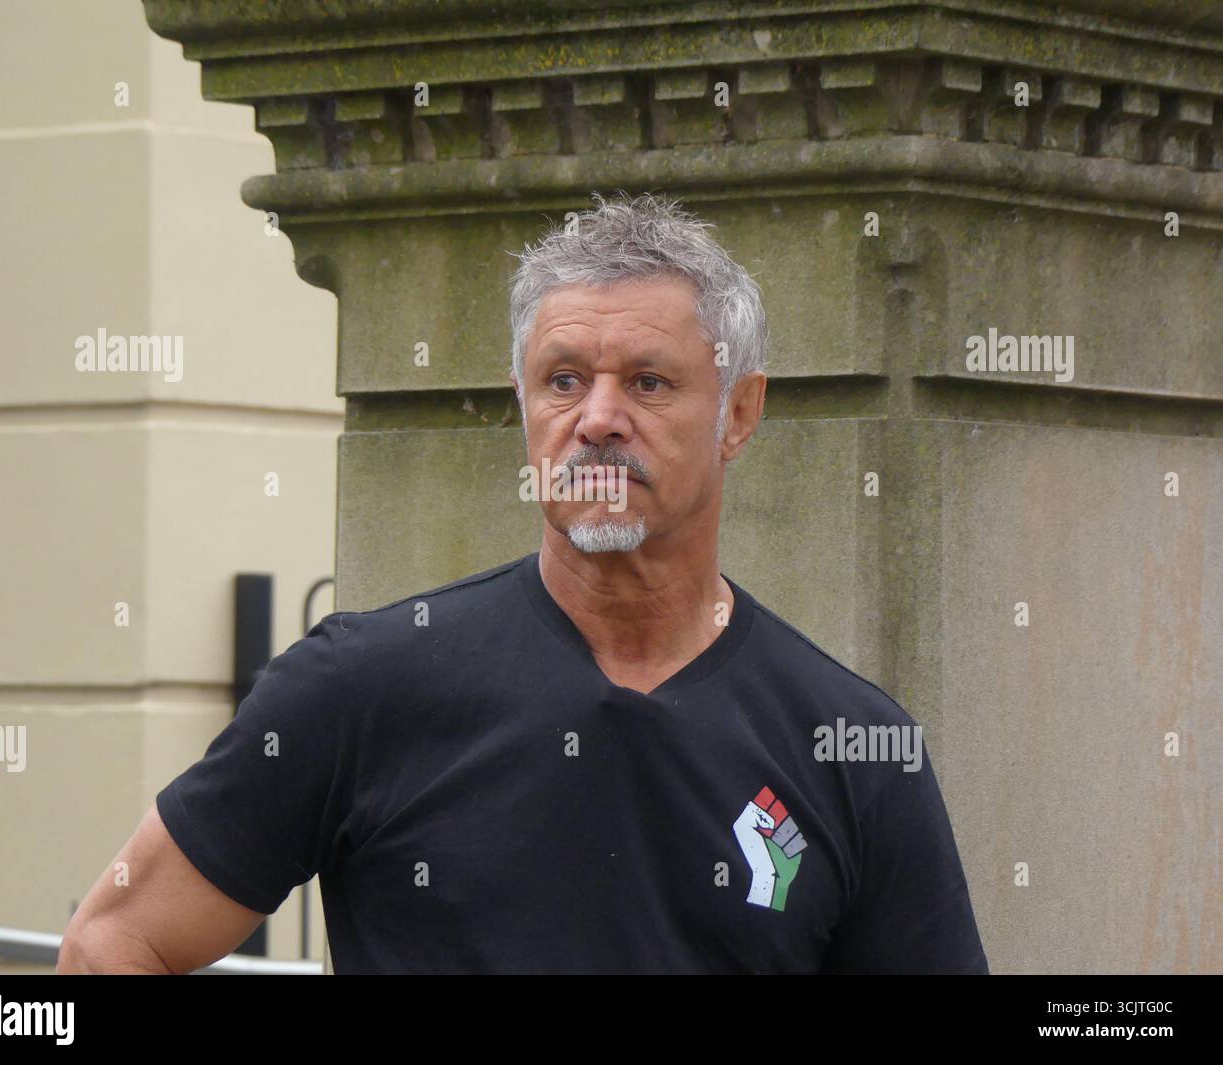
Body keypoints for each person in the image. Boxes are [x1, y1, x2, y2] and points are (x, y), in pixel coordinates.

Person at [58, 191, 988, 974]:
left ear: (739, 413)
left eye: (651, 383)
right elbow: (114, 942)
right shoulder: (362, 686)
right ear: (523, 403)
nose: (598, 420)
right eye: (563, 380)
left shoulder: (852, 747)